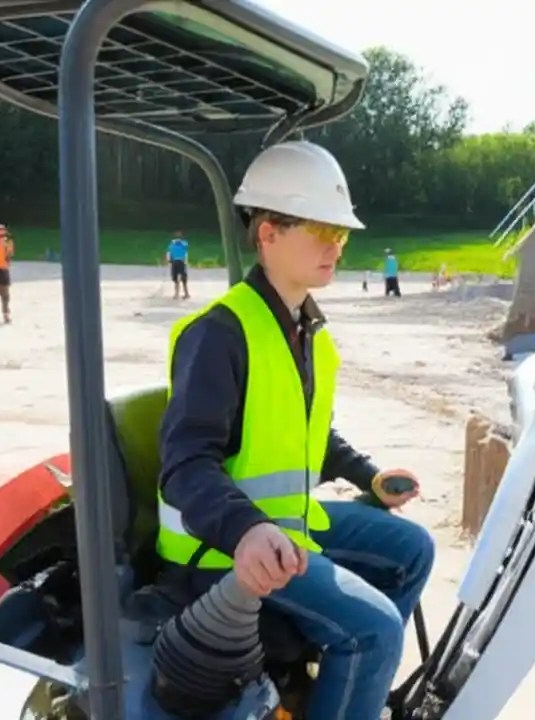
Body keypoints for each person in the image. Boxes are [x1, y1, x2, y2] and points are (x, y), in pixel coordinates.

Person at [157, 140, 435, 720]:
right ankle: (352, 675)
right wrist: (247, 530)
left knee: (413, 549)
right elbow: (185, 464)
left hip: (289, 527)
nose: (334, 244)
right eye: (318, 227)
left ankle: (339, 690)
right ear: (267, 233)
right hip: (221, 552)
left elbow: (313, 436)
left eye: (341, 233)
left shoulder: (309, 331)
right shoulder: (220, 333)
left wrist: (370, 475)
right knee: (376, 629)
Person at [165, 229, 190, 299]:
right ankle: (177, 294)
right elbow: (168, 253)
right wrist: (168, 260)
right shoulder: (172, 244)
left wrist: (168, 260)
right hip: (176, 262)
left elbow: (185, 246)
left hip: (180, 261)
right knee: (176, 279)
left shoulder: (183, 243)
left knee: (182, 278)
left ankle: (185, 294)